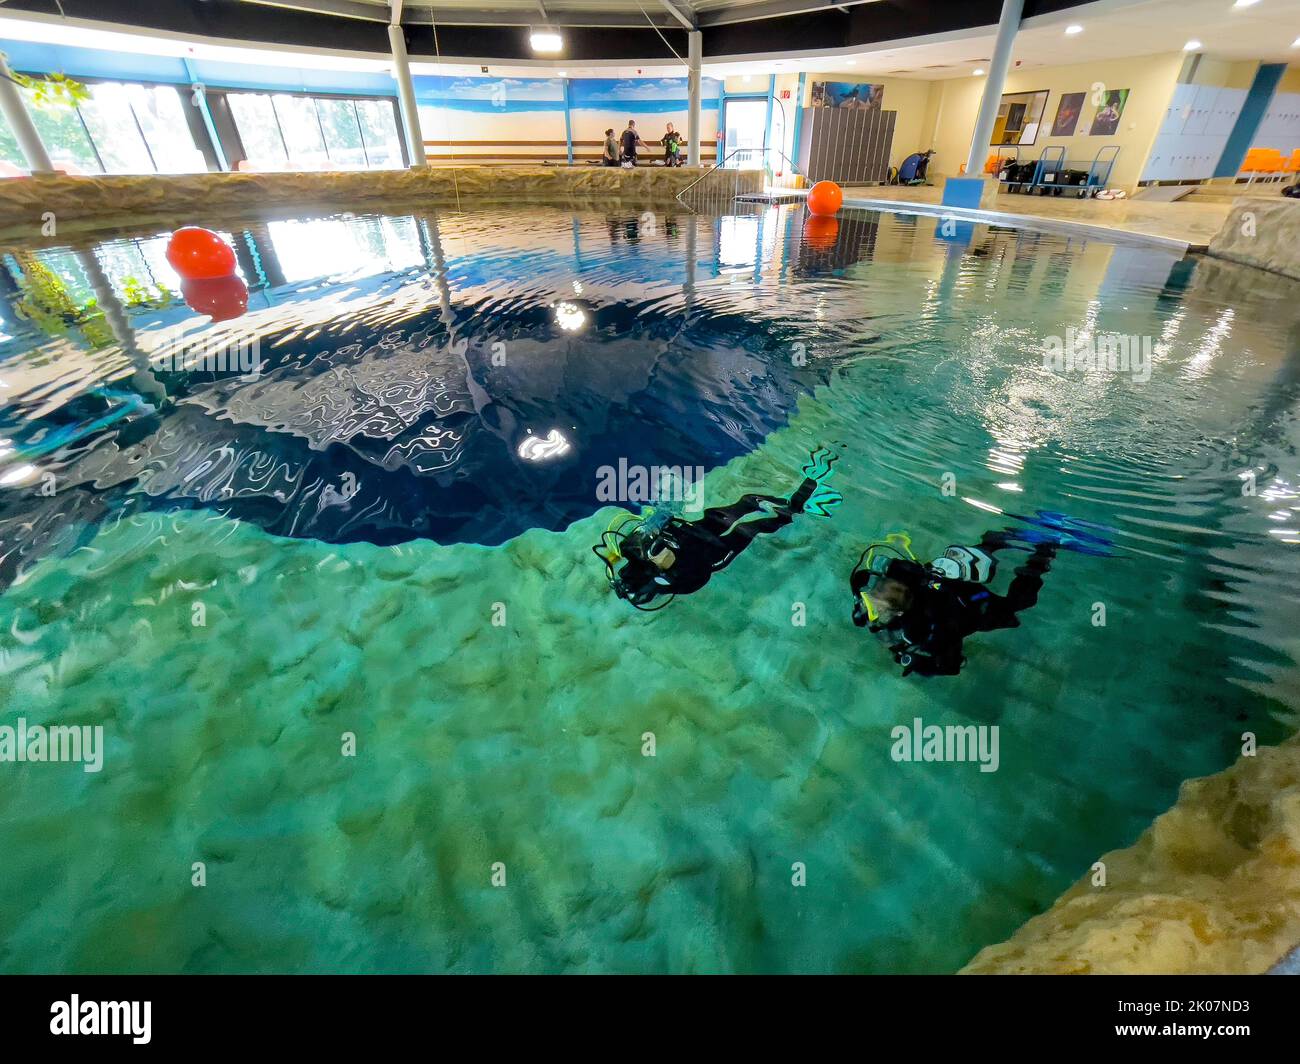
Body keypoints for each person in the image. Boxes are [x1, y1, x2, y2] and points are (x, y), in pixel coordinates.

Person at [849, 513, 1112, 676]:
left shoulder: (928, 623)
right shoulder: (911, 584)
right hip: (960, 590)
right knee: (973, 557)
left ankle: (1042, 549)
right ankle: (1012, 541)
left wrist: (915, 662)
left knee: (1018, 603)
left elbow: (950, 666)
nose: (880, 590)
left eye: (878, 591)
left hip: (971, 606)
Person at [595, 449, 842, 610]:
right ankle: (795, 508)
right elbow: (702, 576)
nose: (655, 549)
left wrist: (659, 518)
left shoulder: (633, 547)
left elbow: (663, 514)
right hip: (716, 552)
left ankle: (791, 497)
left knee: (746, 501)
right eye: (656, 556)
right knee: (750, 527)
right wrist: (670, 568)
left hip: (695, 532)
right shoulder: (681, 580)